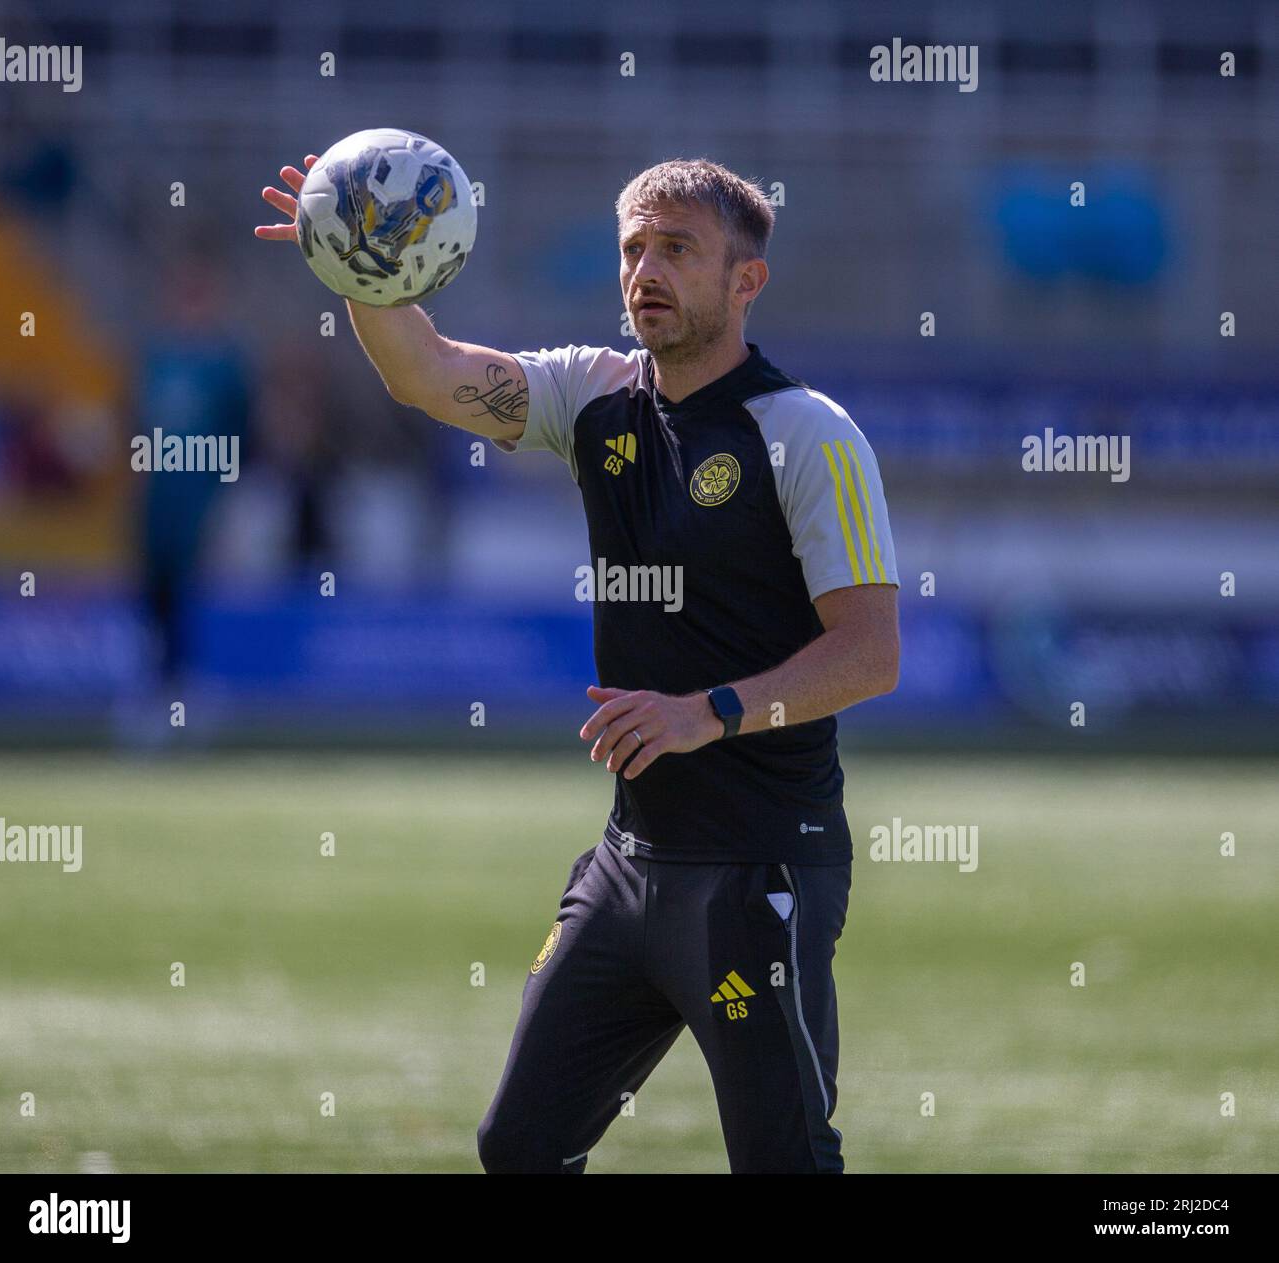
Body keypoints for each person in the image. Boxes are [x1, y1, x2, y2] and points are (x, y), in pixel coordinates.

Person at [256, 155, 900, 1174]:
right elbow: (424, 373)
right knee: (518, 1148)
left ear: (746, 281)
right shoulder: (592, 394)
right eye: (633, 248)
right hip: (628, 868)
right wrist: (361, 268)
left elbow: (870, 654)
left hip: (758, 870)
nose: (645, 269)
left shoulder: (806, 436)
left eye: (676, 249)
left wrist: (709, 711)